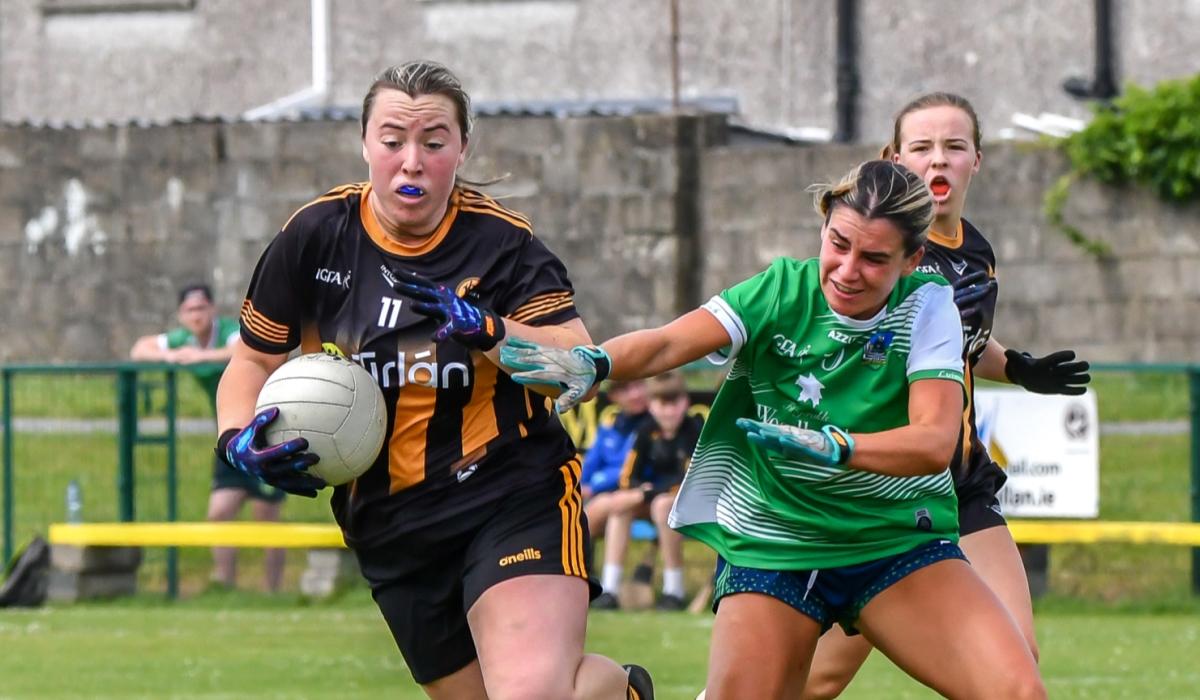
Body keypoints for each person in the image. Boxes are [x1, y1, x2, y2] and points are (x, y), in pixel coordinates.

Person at [503, 160, 1046, 699]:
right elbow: (670, 342)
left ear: (912, 260)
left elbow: (934, 442)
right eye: (838, 243)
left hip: (891, 541)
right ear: (824, 225)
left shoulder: (928, 305)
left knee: (1018, 692)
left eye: (875, 258)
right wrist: (596, 362)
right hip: (774, 541)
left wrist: (839, 447)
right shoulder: (779, 290)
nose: (847, 270)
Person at [212, 61, 653, 700]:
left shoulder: (502, 245)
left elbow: (576, 363)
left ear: (462, 149)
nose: (411, 161)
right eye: (393, 141)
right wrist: (237, 442)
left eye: (434, 142)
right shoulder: (316, 237)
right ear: (366, 144)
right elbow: (251, 361)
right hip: (389, 524)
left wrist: (491, 332)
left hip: (509, 493)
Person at [800, 93, 1090, 700]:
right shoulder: (875, 258)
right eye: (922, 147)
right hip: (883, 495)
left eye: (955, 147)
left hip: (960, 487)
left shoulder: (977, 252)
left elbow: (960, 346)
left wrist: (1015, 366)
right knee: (810, 678)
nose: (940, 160)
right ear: (893, 156)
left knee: (1015, 663)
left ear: (976, 160)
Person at [130, 283, 287, 592]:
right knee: (219, 514)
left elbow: (240, 351)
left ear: (212, 309)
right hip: (229, 437)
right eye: (189, 310)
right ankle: (225, 587)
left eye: (201, 308)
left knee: (266, 518)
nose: (196, 315)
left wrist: (202, 357)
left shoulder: (228, 331)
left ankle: (274, 590)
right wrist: (173, 356)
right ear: (181, 315)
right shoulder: (184, 340)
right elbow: (139, 348)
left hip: (262, 431)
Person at [592, 372, 702, 611]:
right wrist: (639, 491)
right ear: (652, 405)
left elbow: (690, 479)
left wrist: (650, 493)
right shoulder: (646, 430)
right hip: (655, 498)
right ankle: (609, 590)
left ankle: (674, 590)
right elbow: (628, 475)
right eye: (662, 404)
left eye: (674, 403)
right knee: (622, 506)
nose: (669, 412)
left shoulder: (694, 430)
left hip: (690, 501)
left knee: (662, 506)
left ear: (685, 402)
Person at [581, 378, 651, 536]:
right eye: (625, 389)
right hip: (603, 493)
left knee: (602, 506)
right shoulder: (610, 425)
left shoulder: (654, 425)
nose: (635, 394)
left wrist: (594, 486)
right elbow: (591, 463)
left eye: (639, 385)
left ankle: (571, 557)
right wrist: (581, 486)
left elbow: (636, 469)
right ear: (613, 396)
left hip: (638, 492)